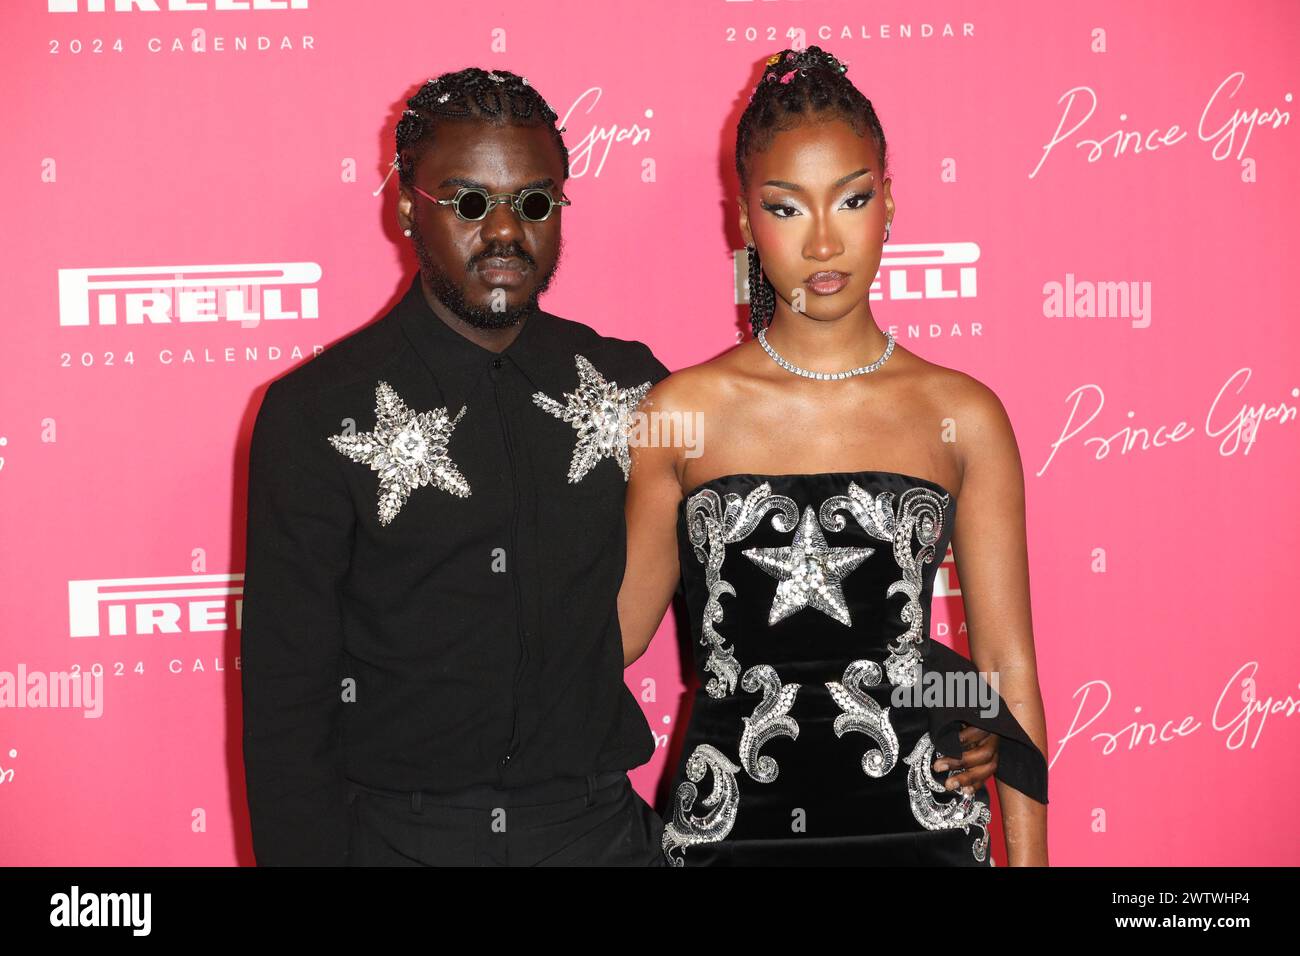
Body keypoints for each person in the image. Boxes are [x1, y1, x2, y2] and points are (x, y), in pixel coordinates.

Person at [619, 46, 1049, 866]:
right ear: (743, 220)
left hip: (922, 828)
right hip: (729, 835)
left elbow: (1003, 668)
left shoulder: (963, 415)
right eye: (787, 209)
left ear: (889, 204)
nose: (822, 242)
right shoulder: (681, 413)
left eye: (850, 200)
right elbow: (613, 635)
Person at [242, 66, 671, 866]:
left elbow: (749, 578)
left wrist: (953, 704)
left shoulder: (634, 386)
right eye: (469, 202)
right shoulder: (314, 412)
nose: (505, 231)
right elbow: (286, 703)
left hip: (599, 834)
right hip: (400, 840)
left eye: (534, 202)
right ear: (408, 207)